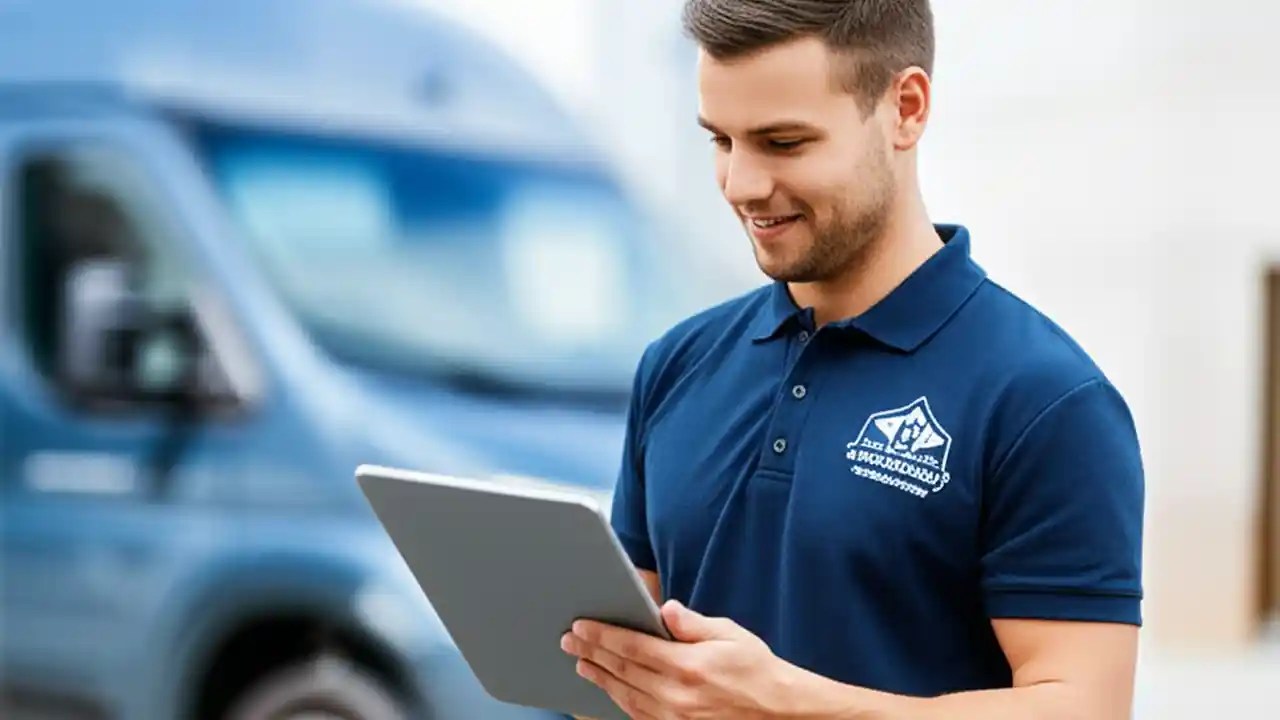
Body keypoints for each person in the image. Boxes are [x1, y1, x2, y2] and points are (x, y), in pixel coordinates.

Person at [559, 1, 1144, 718]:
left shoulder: (1046, 400)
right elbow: (623, 664)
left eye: (783, 142)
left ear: (905, 108)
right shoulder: (678, 364)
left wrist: (789, 706)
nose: (741, 183)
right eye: (721, 140)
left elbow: (1083, 709)